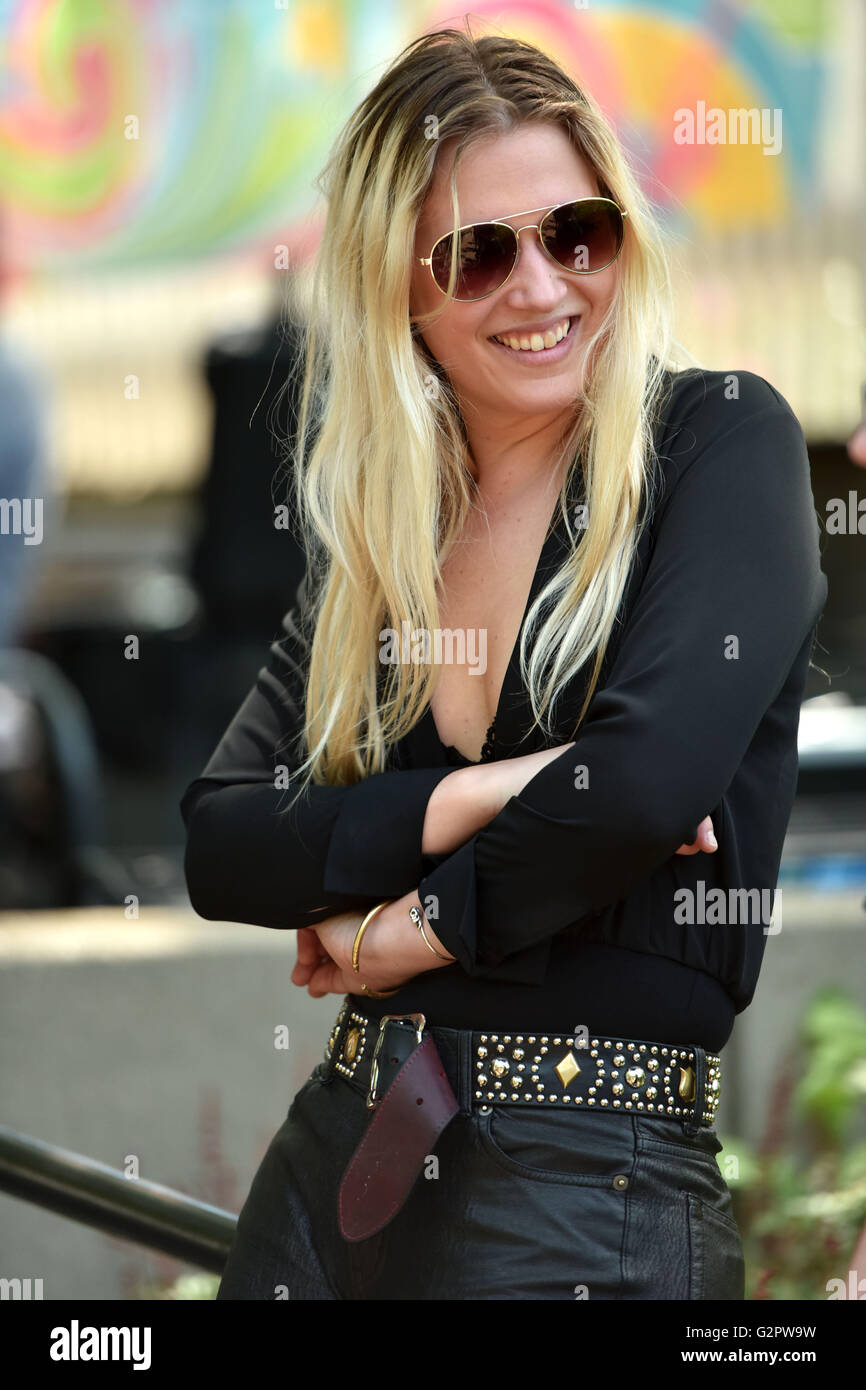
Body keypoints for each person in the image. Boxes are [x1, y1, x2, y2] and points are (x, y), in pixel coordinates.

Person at [180, 25, 828, 1300]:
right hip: (341, 1163)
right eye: (478, 254)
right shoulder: (387, 530)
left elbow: (642, 789)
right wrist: (490, 789)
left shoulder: (719, 441)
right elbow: (219, 838)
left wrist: (407, 931)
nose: (539, 288)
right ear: (397, 291)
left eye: (573, 231)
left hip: (594, 1187)